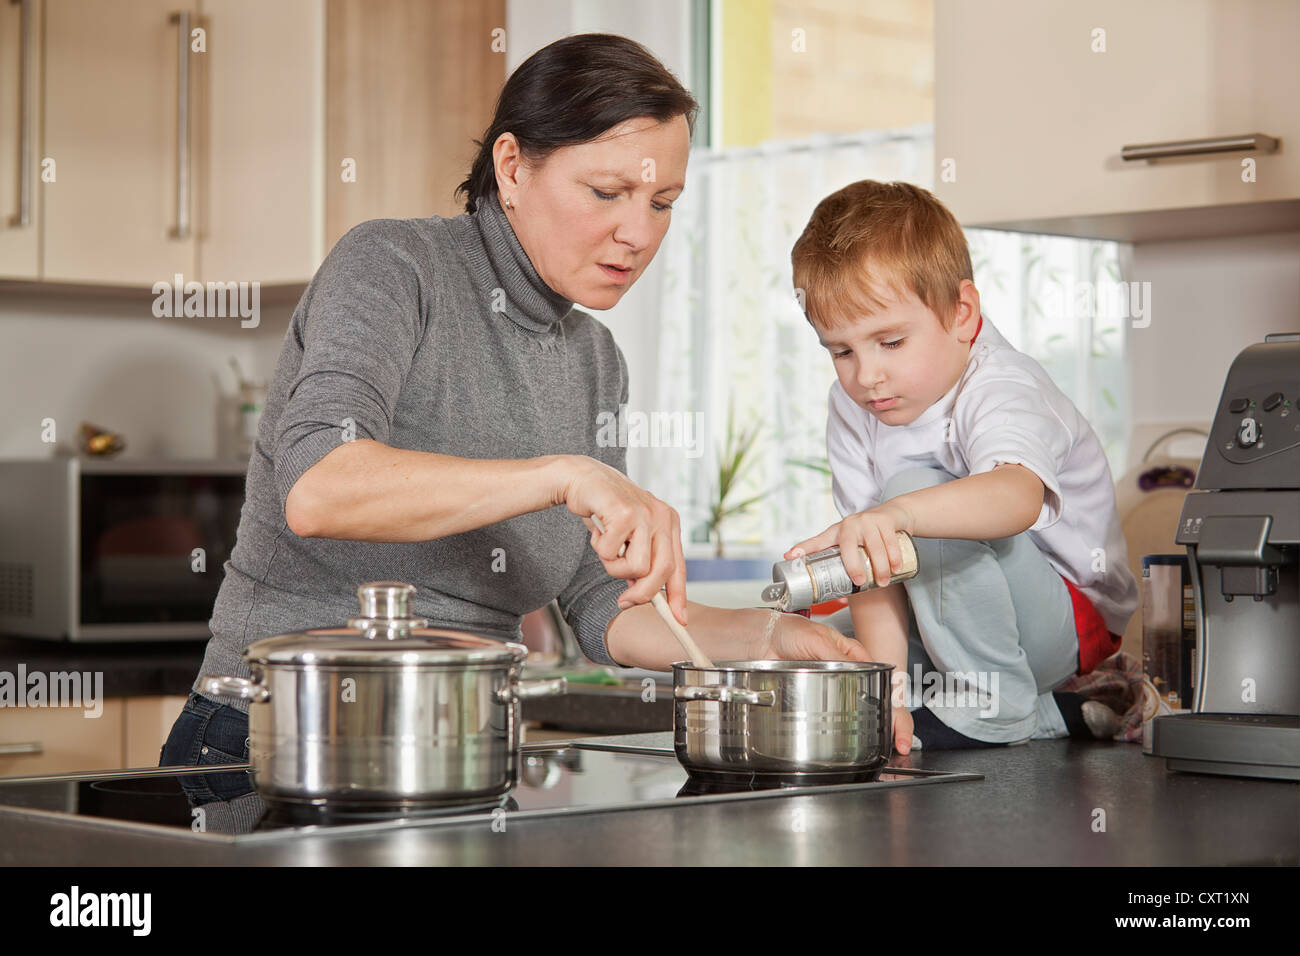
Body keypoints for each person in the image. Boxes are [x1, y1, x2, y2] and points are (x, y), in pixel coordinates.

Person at [160, 34, 868, 796]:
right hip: (277, 741)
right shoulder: (393, 267)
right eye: (607, 193)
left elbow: (604, 607)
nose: (638, 234)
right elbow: (320, 487)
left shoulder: (596, 361)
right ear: (511, 167)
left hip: (462, 750)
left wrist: (767, 637)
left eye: (661, 203)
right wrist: (563, 475)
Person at [786, 180, 1139, 754]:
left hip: (1065, 623)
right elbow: (872, 565)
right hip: (957, 613)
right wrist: (889, 702)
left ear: (963, 314)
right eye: (842, 351)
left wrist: (895, 514)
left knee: (916, 496)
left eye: (891, 341)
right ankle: (1055, 714)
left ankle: (995, 706)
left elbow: (1015, 498)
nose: (866, 375)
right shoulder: (851, 406)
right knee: (831, 647)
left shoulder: (1001, 384)